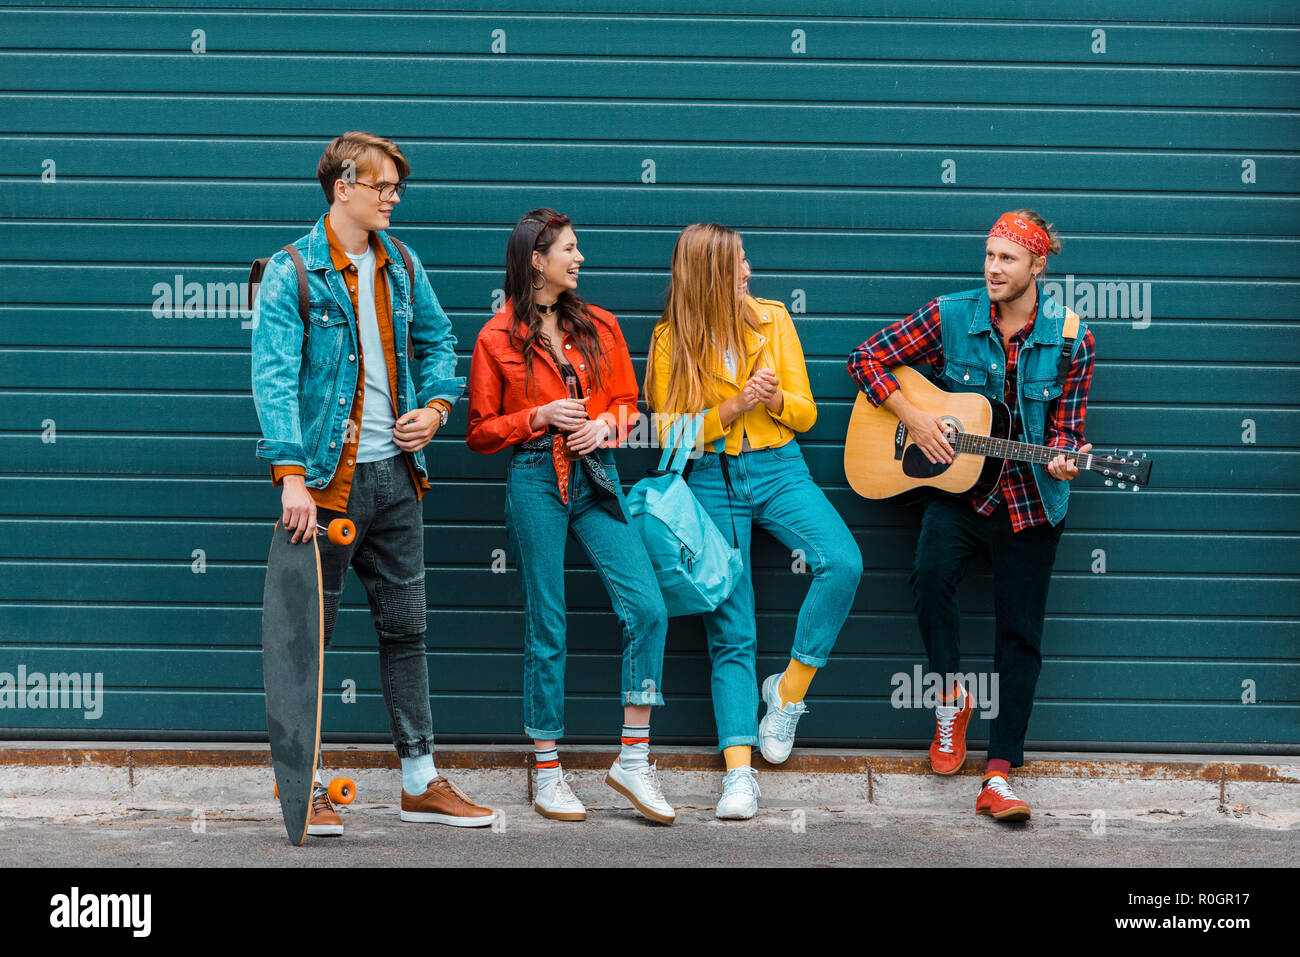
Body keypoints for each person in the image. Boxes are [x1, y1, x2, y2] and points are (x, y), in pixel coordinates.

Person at [251, 130, 496, 836]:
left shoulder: (401, 264)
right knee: (307, 637)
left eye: (397, 188)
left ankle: (419, 780)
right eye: (383, 186)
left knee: (406, 629)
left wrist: (437, 407)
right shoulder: (294, 272)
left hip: (397, 478)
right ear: (343, 188)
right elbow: (273, 377)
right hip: (327, 483)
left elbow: (441, 340)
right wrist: (291, 475)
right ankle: (309, 786)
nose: (393, 198)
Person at [846, 210, 1095, 822]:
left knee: (1020, 635)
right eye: (988, 256)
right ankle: (950, 699)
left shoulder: (1073, 339)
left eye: (1007, 259)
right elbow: (865, 360)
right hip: (962, 493)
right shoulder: (949, 315)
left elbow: (1066, 434)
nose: (992, 268)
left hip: (1032, 502)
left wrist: (1065, 461)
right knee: (929, 578)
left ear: (1039, 265)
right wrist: (914, 417)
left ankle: (1000, 775)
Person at [646, 223, 862, 820]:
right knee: (731, 627)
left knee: (842, 561)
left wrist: (770, 401)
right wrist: (732, 405)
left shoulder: (772, 320)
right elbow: (666, 435)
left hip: (780, 469)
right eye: (739, 263)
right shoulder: (671, 340)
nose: (749, 272)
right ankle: (738, 776)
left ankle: (787, 692)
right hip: (712, 477)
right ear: (712, 272)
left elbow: (807, 414)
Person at [466, 208, 675, 825]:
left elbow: (627, 402)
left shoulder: (601, 326)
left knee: (648, 608)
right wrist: (538, 417)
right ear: (537, 259)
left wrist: (608, 425)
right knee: (548, 621)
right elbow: (479, 432)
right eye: (569, 249)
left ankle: (633, 761)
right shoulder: (495, 337)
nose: (579, 259)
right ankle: (547, 770)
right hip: (534, 478)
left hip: (596, 476)